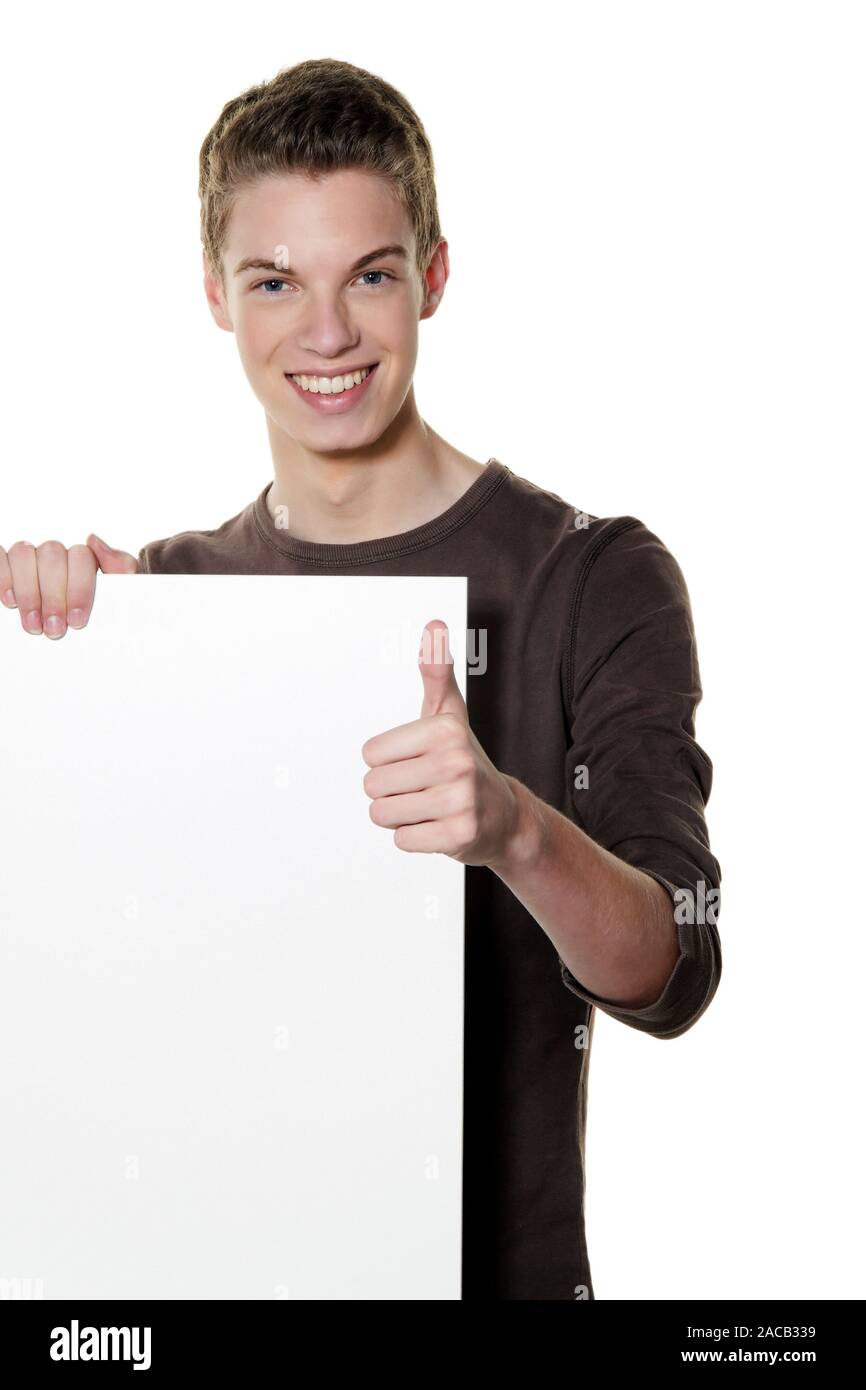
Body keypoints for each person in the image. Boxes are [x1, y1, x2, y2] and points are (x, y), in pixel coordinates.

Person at [0, 57, 721, 1300]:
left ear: (433, 275)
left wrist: (509, 826)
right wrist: (56, 673)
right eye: (275, 280)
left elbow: (674, 969)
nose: (325, 333)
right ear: (217, 298)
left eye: (370, 275)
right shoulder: (157, 602)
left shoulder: (588, 574)